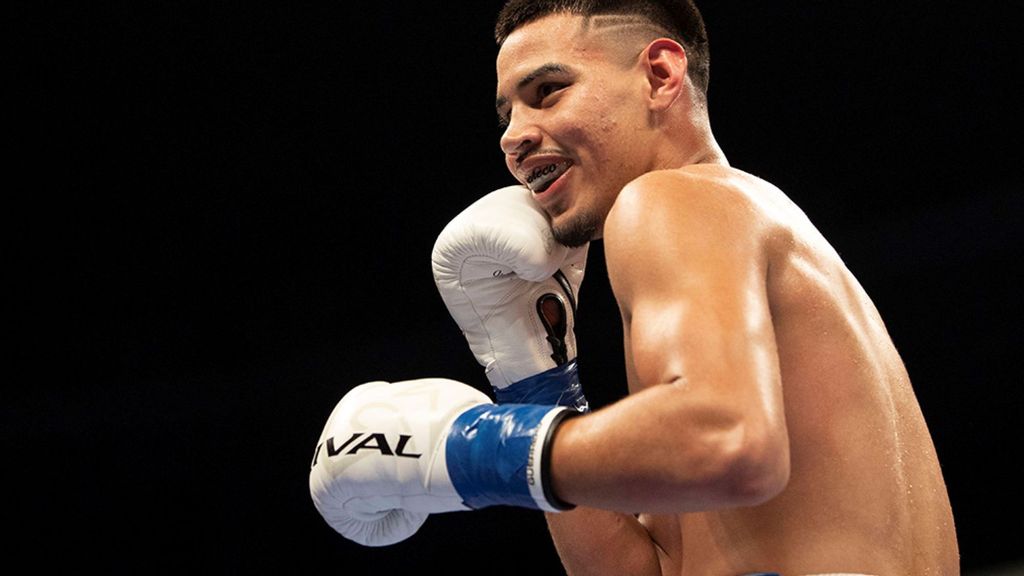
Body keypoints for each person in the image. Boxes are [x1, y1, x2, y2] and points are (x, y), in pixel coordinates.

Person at [309, 1, 960, 574]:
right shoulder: (751, 233)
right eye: (506, 113)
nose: (512, 137)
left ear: (660, 75)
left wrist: (469, 451)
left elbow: (727, 442)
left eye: (547, 90)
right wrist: (535, 384)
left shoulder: (673, 199)